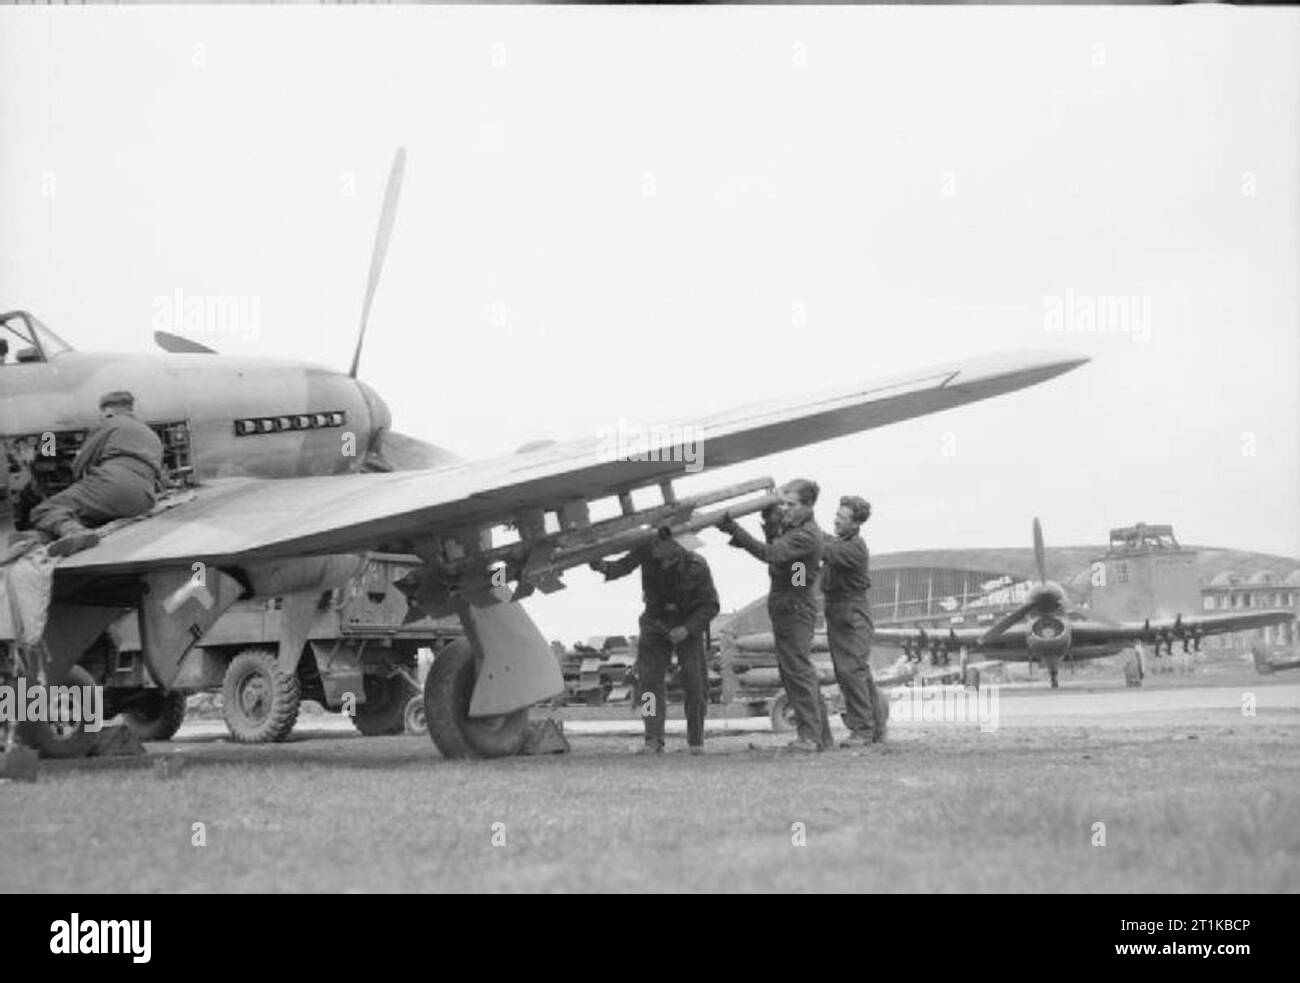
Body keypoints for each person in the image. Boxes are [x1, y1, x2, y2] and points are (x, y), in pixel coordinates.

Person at [719, 479, 831, 752]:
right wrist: (769, 523)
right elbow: (778, 551)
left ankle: (810, 737)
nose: (786, 510)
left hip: (794, 607)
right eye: (784, 504)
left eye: (792, 505)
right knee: (798, 672)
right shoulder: (795, 530)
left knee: (798, 673)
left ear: (808, 506)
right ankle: (820, 737)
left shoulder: (805, 536)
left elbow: (770, 554)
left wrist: (733, 528)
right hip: (788, 605)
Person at [590, 527, 720, 755]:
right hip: (655, 622)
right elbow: (622, 566)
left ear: (677, 549)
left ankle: (696, 741)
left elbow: (711, 606)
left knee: (695, 683)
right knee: (649, 685)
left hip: (687, 623)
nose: (658, 555)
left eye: (663, 550)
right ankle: (653, 740)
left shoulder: (698, 567)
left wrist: (687, 629)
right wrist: (600, 565)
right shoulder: (647, 551)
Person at [28, 390, 164, 557]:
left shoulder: (109, 424)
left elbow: (79, 465)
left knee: (45, 509)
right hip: (144, 499)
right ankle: (44, 536)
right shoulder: (150, 433)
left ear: (108, 411)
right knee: (88, 512)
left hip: (113, 485)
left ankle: (74, 532)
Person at [822, 495, 886, 747]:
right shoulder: (841, 543)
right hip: (839, 612)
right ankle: (876, 727)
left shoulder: (853, 548)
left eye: (842, 518)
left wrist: (802, 530)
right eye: (836, 515)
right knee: (854, 672)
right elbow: (816, 553)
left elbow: (822, 548)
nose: (836, 520)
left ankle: (863, 729)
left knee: (852, 672)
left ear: (855, 523)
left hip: (851, 612)